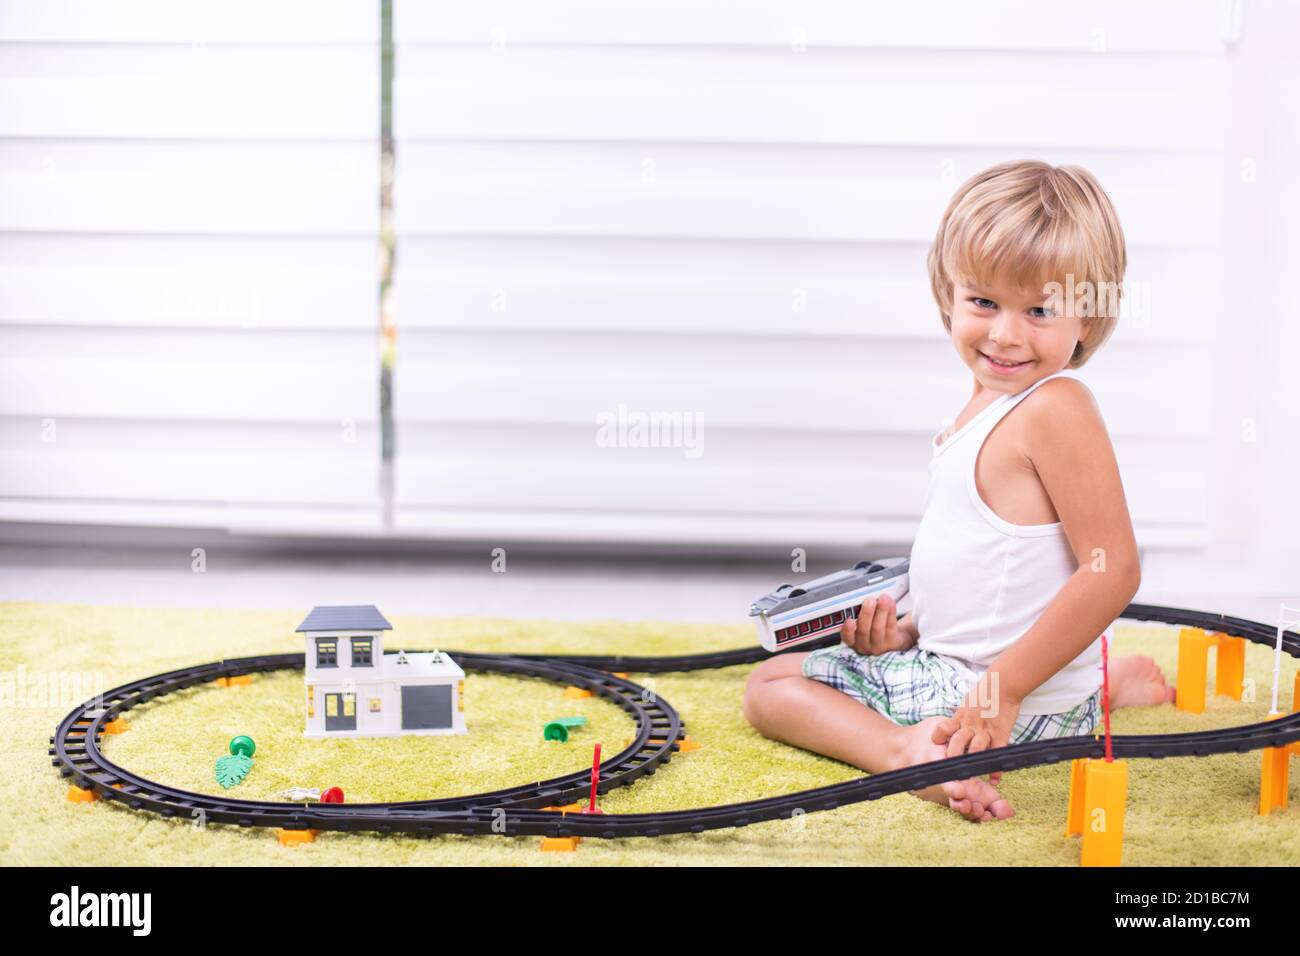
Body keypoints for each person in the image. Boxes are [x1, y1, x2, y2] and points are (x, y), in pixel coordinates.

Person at [743, 160, 1174, 822]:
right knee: (855, 661)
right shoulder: (988, 408)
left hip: (985, 703)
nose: (1005, 333)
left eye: (1039, 310)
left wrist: (1000, 690)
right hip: (1033, 696)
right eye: (984, 302)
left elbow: (1112, 570)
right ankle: (1097, 695)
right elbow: (999, 585)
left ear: (1086, 317)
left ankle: (904, 754)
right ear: (948, 294)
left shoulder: (1055, 407)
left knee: (769, 684)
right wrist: (908, 634)